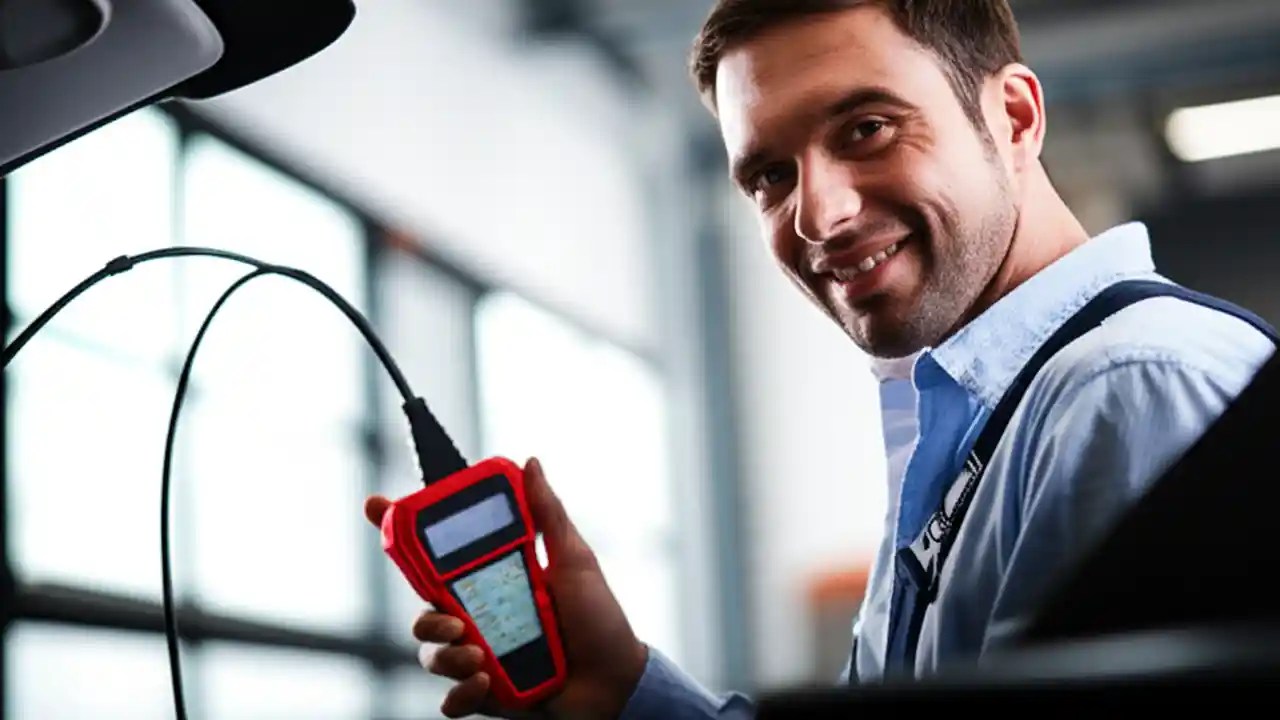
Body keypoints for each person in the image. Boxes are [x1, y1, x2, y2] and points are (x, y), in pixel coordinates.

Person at [363, 0, 1277, 717]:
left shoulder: (1128, 389)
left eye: (867, 128)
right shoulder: (969, 419)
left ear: (1014, 116)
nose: (817, 215)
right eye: (769, 175)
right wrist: (622, 688)